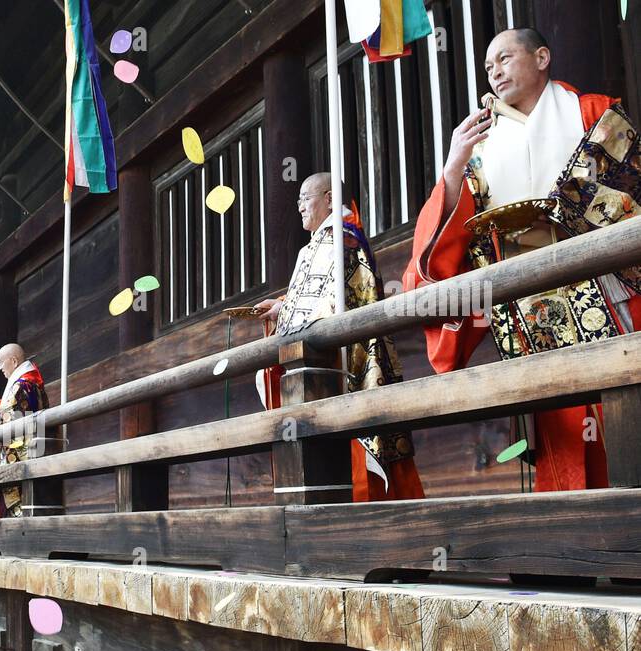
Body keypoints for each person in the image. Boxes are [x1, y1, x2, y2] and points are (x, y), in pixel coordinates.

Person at [403, 27, 641, 492]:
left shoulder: (591, 112)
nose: (494, 72)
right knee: (560, 427)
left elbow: (631, 191)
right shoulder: (480, 147)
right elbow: (451, 242)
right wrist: (452, 169)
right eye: (487, 67)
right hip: (530, 304)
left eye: (505, 59)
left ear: (542, 58)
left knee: (623, 409)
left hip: (605, 285)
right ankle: (573, 530)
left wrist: (563, 212)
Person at [252, 172, 425, 502]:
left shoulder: (345, 239)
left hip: (342, 361)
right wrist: (282, 306)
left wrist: (291, 314)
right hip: (312, 362)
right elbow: (316, 299)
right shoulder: (314, 245)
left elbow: (345, 298)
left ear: (330, 199)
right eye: (299, 200)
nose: (299, 206)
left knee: (350, 446)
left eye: (305, 198)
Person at [0, 342, 49, 517]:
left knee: (18, 507)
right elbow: (14, 405)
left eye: (1, 362)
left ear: (13, 361)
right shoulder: (25, 381)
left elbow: (14, 416)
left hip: (23, 452)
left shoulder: (24, 384)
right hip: (23, 449)